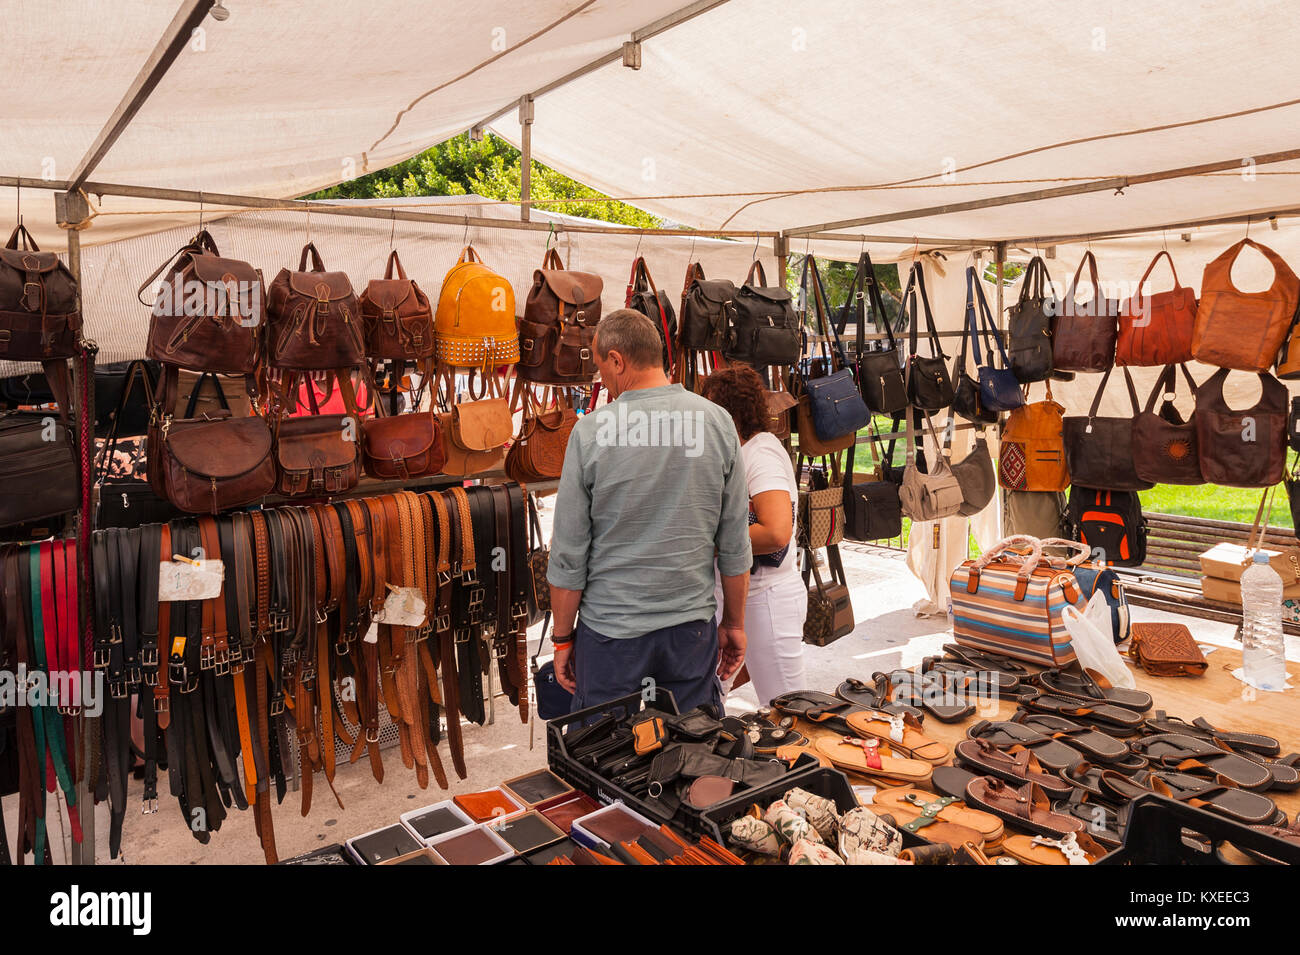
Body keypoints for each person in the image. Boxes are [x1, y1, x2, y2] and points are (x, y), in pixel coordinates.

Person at [547, 309, 752, 713]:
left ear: (618, 360)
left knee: (604, 760)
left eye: (600, 363)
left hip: (611, 635)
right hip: (689, 632)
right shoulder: (717, 423)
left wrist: (562, 637)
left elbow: (569, 554)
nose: (599, 377)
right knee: (692, 759)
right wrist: (733, 624)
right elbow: (734, 543)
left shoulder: (590, 432)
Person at [700, 365, 806, 704]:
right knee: (709, 699)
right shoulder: (737, 451)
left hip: (767, 600)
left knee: (785, 706)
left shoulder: (761, 451)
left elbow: (776, 532)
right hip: (737, 596)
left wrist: (710, 541)